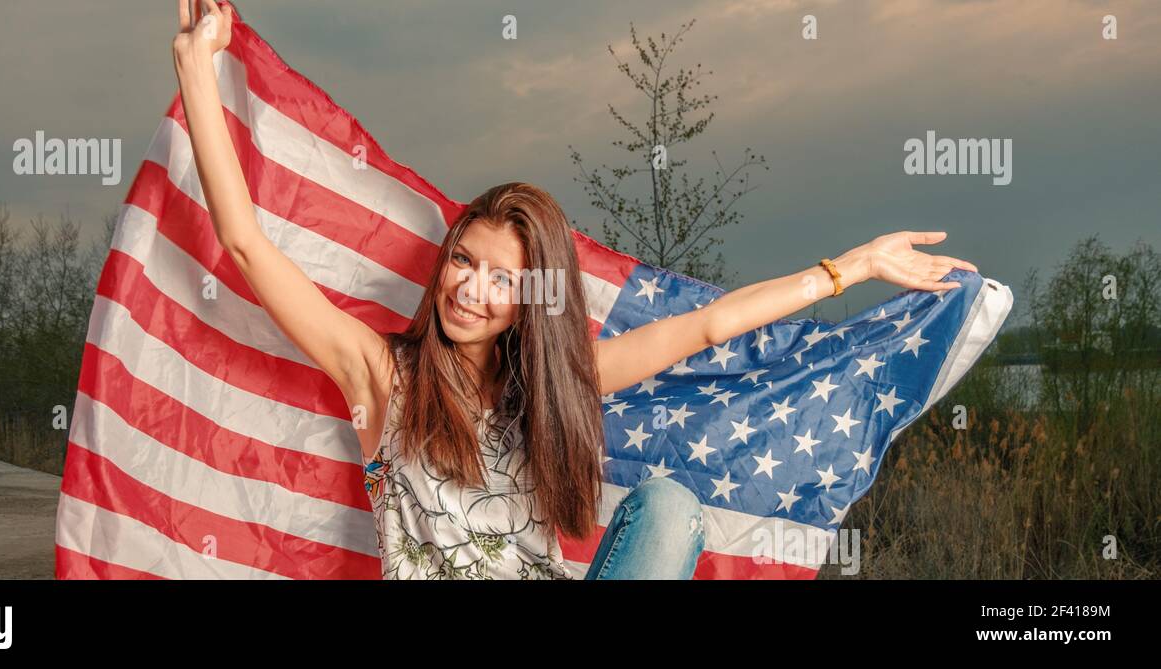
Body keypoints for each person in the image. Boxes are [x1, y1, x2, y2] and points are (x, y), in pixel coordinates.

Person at [171, 0, 979, 579]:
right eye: (464, 261)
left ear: (529, 302)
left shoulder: (555, 388)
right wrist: (196, 67)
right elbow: (246, 244)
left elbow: (708, 327)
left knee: (667, 507)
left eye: (502, 280)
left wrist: (854, 266)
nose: (471, 290)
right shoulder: (381, 374)